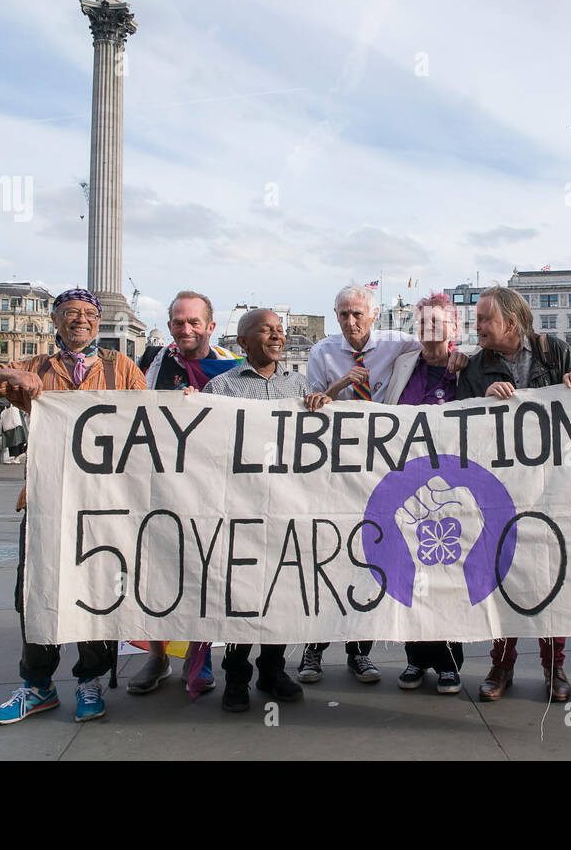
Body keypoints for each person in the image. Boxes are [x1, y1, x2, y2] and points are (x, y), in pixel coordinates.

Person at [0, 288, 148, 725]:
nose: (81, 320)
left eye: (89, 314)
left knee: (98, 590)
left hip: (104, 503)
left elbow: (150, 417)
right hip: (46, 498)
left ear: (98, 322)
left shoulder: (122, 368)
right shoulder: (33, 367)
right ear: (55, 321)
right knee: (36, 590)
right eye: (71, 314)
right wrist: (10, 376)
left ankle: (89, 680)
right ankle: (36, 685)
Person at [456, 285, 571, 703]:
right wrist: (482, 400)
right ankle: (502, 662)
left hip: (553, 486)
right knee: (505, 575)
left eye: (483, 320)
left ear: (510, 324)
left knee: (552, 575)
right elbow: (458, 426)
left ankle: (554, 666)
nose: (476, 327)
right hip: (502, 490)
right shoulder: (476, 369)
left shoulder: (557, 352)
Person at [204, 309, 331, 712]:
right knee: (242, 593)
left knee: (281, 592)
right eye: (266, 330)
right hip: (240, 507)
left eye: (280, 330)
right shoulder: (221, 387)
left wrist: (323, 404)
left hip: (288, 506)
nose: (277, 336)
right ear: (243, 342)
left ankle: (273, 669)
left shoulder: (300, 384)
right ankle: (236, 675)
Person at [298, 285, 423, 685]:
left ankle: (359, 654)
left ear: (374, 314)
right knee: (326, 556)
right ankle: (312, 651)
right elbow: (309, 404)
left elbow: (437, 349)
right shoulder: (322, 353)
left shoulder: (400, 344)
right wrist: (338, 387)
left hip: (378, 468)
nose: (350, 323)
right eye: (342, 315)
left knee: (369, 559)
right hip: (335, 469)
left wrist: (456, 355)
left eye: (357, 314)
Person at [128, 291, 242, 696]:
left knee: (204, 570)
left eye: (194, 322)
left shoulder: (233, 369)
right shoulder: (153, 363)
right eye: (178, 322)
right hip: (157, 481)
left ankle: (201, 656)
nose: (186, 329)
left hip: (210, 484)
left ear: (211, 326)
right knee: (154, 569)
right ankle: (156, 656)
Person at [381, 291, 466, 694]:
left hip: (455, 487)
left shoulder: (466, 368)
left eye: (439, 323)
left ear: (455, 328)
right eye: (424, 324)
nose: (431, 331)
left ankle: (449, 662)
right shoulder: (403, 365)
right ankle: (415, 659)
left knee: (450, 573)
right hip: (410, 484)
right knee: (412, 572)